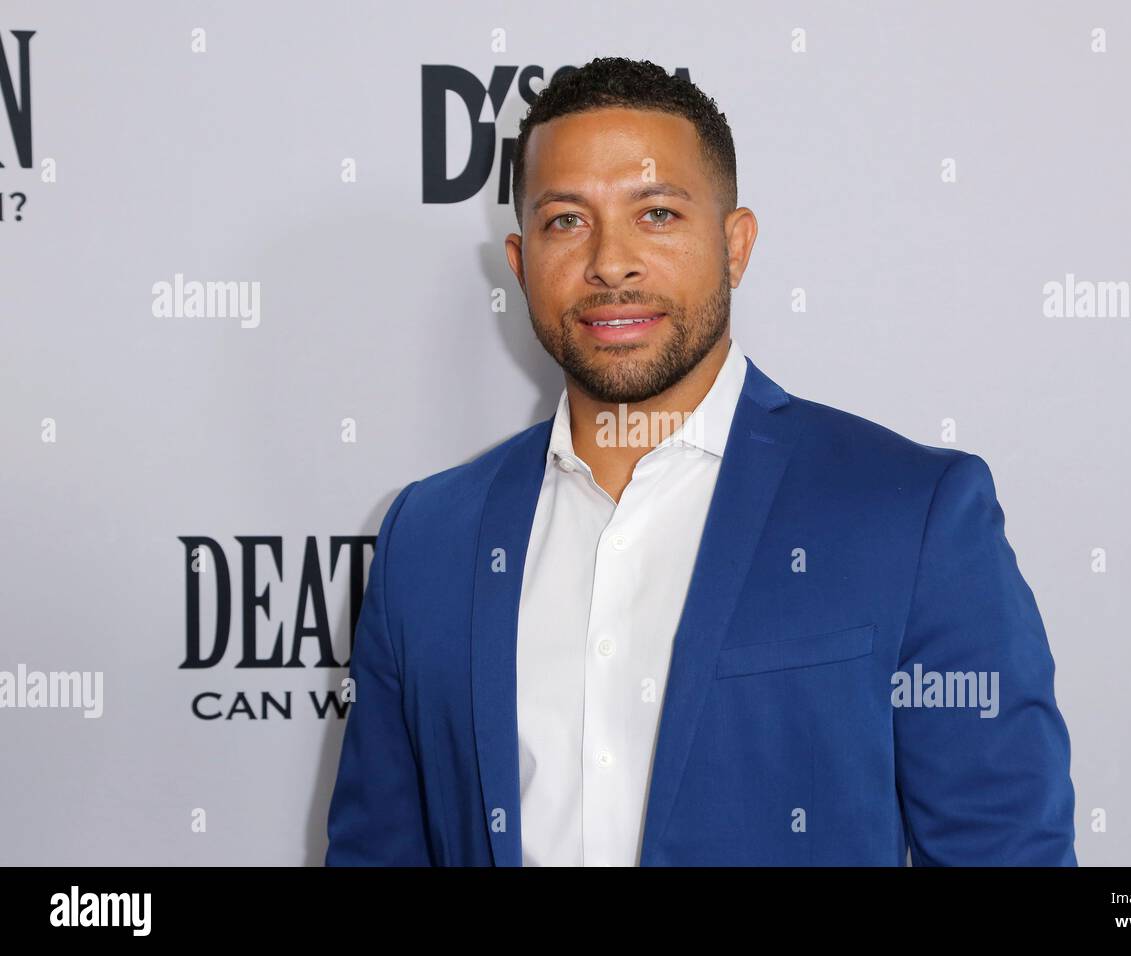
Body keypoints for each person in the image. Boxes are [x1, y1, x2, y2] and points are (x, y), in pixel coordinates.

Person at [325, 56, 1076, 866]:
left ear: (736, 246)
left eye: (655, 213)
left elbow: (1005, 852)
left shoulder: (912, 514)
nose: (611, 262)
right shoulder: (430, 536)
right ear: (519, 264)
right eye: (566, 221)